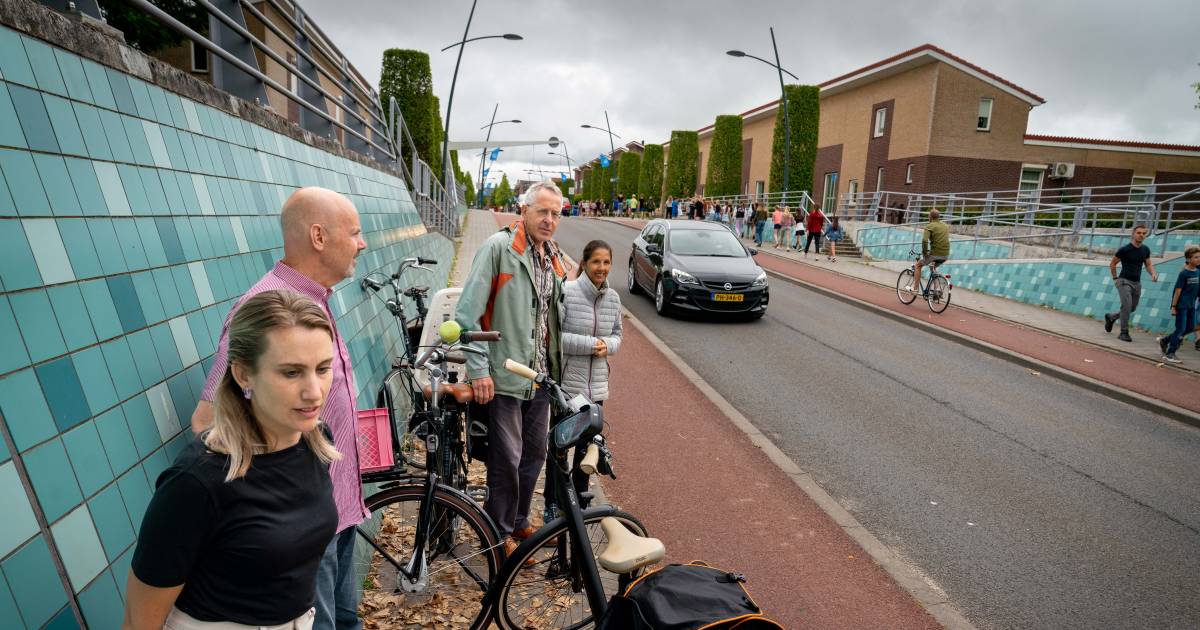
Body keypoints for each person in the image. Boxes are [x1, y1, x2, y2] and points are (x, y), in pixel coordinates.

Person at [189, 187, 368, 630]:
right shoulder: (263, 310)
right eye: (355, 232)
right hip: (303, 525)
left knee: (345, 620)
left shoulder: (314, 299)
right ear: (319, 237)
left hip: (338, 507)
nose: (363, 243)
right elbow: (208, 420)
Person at [125, 290, 341, 630]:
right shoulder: (196, 481)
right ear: (243, 375)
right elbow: (140, 622)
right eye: (291, 372)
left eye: (323, 368)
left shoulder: (317, 443)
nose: (314, 391)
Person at [456, 181, 568, 557]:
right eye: (542, 212)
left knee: (534, 454)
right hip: (504, 377)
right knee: (506, 460)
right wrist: (478, 369)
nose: (549, 220)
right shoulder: (498, 249)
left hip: (539, 378)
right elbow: (465, 316)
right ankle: (497, 534)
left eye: (556, 213)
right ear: (524, 211)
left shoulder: (551, 256)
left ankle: (519, 520)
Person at [546, 239, 623, 518]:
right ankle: (552, 507)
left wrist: (608, 345)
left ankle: (578, 508)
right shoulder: (568, 292)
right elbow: (557, 338)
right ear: (584, 263)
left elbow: (617, 336)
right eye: (596, 262)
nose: (601, 268)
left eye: (606, 262)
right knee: (559, 449)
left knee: (587, 451)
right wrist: (592, 344)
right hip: (569, 387)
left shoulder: (613, 298)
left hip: (598, 387)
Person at [1103, 225, 1159, 342]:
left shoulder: (1145, 249)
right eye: (1139, 233)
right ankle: (1124, 332)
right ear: (1133, 234)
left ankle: (1111, 317)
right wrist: (1115, 278)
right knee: (1126, 306)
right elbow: (1113, 264)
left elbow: (1148, 264)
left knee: (1132, 308)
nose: (1141, 235)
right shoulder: (1125, 249)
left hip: (1137, 283)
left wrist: (1153, 273)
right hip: (1124, 281)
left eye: (1144, 233)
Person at [1157, 246, 1199, 363]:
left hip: (1191, 304)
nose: (1198, 259)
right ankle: (1170, 353)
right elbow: (1177, 291)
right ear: (1188, 259)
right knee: (1180, 329)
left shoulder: (1198, 271)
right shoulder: (1184, 273)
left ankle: (1165, 340)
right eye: (1196, 257)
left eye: (1199, 257)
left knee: (1190, 327)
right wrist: (1173, 307)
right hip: (1181, 305)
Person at [909, 209, 950, 294]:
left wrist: (925, 253)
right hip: (945, 255)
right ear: (938, 217)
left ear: (930, 217)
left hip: (935, 254)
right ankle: (937, 289)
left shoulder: (930, 226)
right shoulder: (945, 226)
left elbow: (924, 240)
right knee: (933, 266)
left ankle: (915, 289)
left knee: (918, 266)